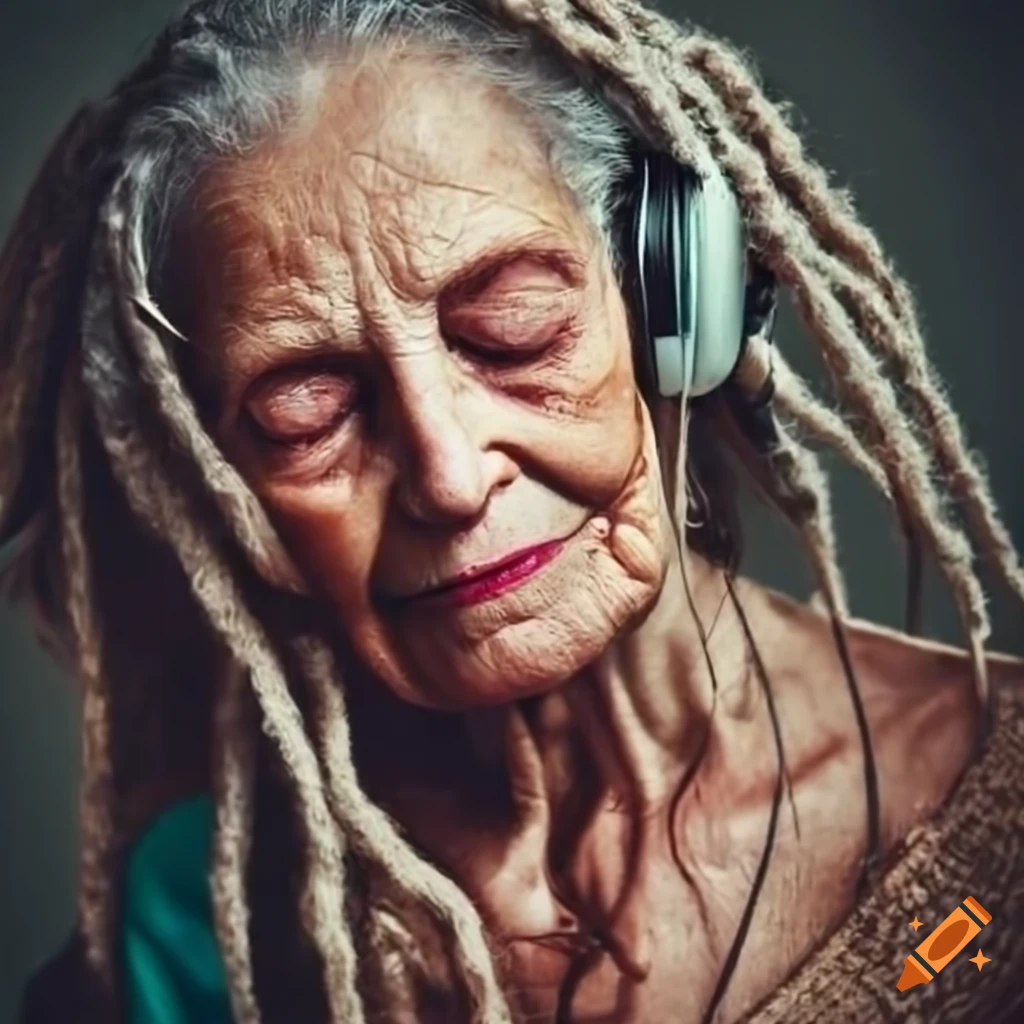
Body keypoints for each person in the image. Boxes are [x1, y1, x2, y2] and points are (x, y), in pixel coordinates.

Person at [3, 0, 1023, 1021]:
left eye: (513, 329)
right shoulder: (200, 926)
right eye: (305, 412)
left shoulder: (1000, 799)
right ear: (218, 486)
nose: (449, 477)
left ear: (672, 303)